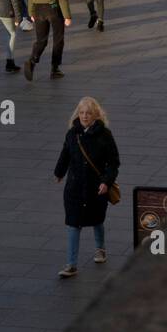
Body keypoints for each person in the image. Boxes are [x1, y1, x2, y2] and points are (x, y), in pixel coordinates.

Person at [53, 97, 120, 279]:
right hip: (74, 188)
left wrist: (106, 181)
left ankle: (100, 249)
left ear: (95, 115)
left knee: (97, 220)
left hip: (96, 187)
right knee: (73, 224)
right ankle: (71, 265)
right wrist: (59, 172)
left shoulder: (105, 135)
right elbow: (65, 153)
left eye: (88, 113)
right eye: (81, 113)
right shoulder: (72, 134)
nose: (84, 116)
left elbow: (113, 163)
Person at [24, 0, 72, 82]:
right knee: (58, 39)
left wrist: (30, 12)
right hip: (53, 8)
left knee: (41, 40)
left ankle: (32, 60)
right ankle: (55, 68)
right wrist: (67, 16)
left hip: (38, 10)